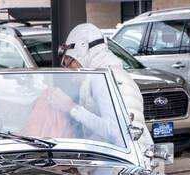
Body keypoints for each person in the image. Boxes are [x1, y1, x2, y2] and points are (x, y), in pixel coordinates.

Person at [55, 23, 151, 152]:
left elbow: (115, 131)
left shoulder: (101, 79)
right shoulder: (119, 75)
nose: (70, 73)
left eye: (69, 64)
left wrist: (71, 107)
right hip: (134, 159)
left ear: (82, 50)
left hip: (118, 165)